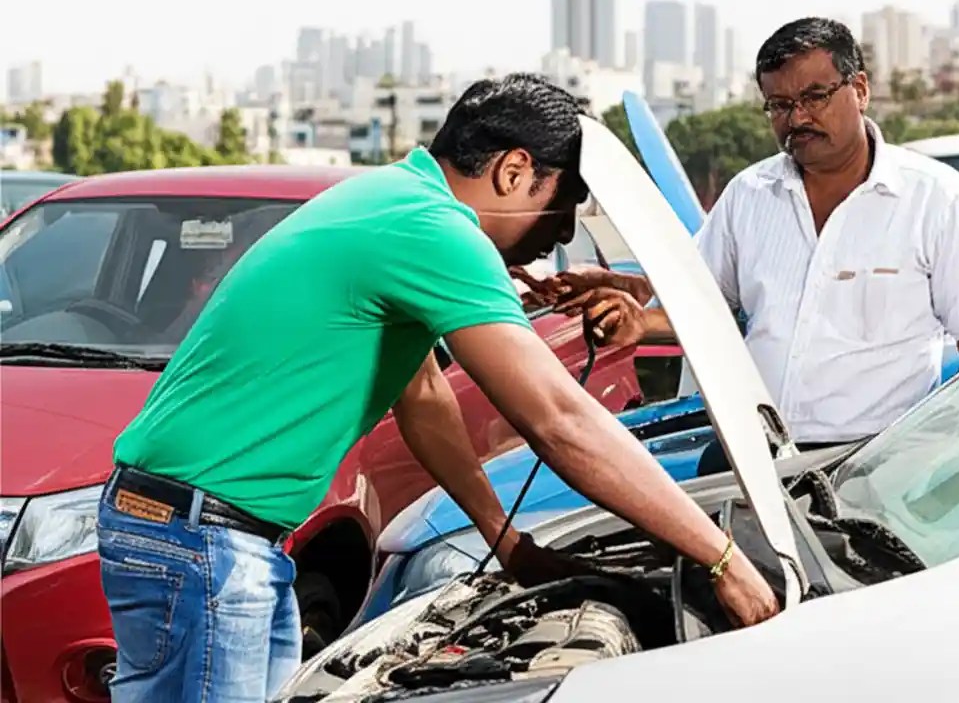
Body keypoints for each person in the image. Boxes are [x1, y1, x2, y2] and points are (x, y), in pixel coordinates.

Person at [97, 73, 778, 703]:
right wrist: (716, 557)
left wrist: (503, 540)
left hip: (206, 536)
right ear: (514, 171)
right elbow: (558, 418)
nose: (564, 235)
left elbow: (423, 397)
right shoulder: (433, 228)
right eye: (562, 208)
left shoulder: (394, 199)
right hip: (204, 543)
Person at [550, 18, 959, 473]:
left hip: (879, 463)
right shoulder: (748, 196)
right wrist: (639, 323)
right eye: (779, 104)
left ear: (861, 89)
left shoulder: (937, 200)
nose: (798, 118)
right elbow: (702, 303)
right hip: (754, 456)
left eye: (815, 96)